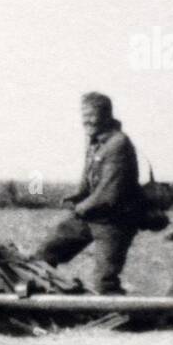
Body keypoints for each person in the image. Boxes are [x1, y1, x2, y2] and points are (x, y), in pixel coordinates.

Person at [34, 92, 143, 294]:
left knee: (104, 282)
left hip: (114, 222)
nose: (86, 120)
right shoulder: (95, 140)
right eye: (83, 114)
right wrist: (78, 194)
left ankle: (125, 320)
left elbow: (109, 193)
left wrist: (81, 207)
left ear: (107, 114)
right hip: (90, 215)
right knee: (43, 256)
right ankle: (47, 302)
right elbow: (88, 177)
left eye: (92, 115)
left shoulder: (118, 144)